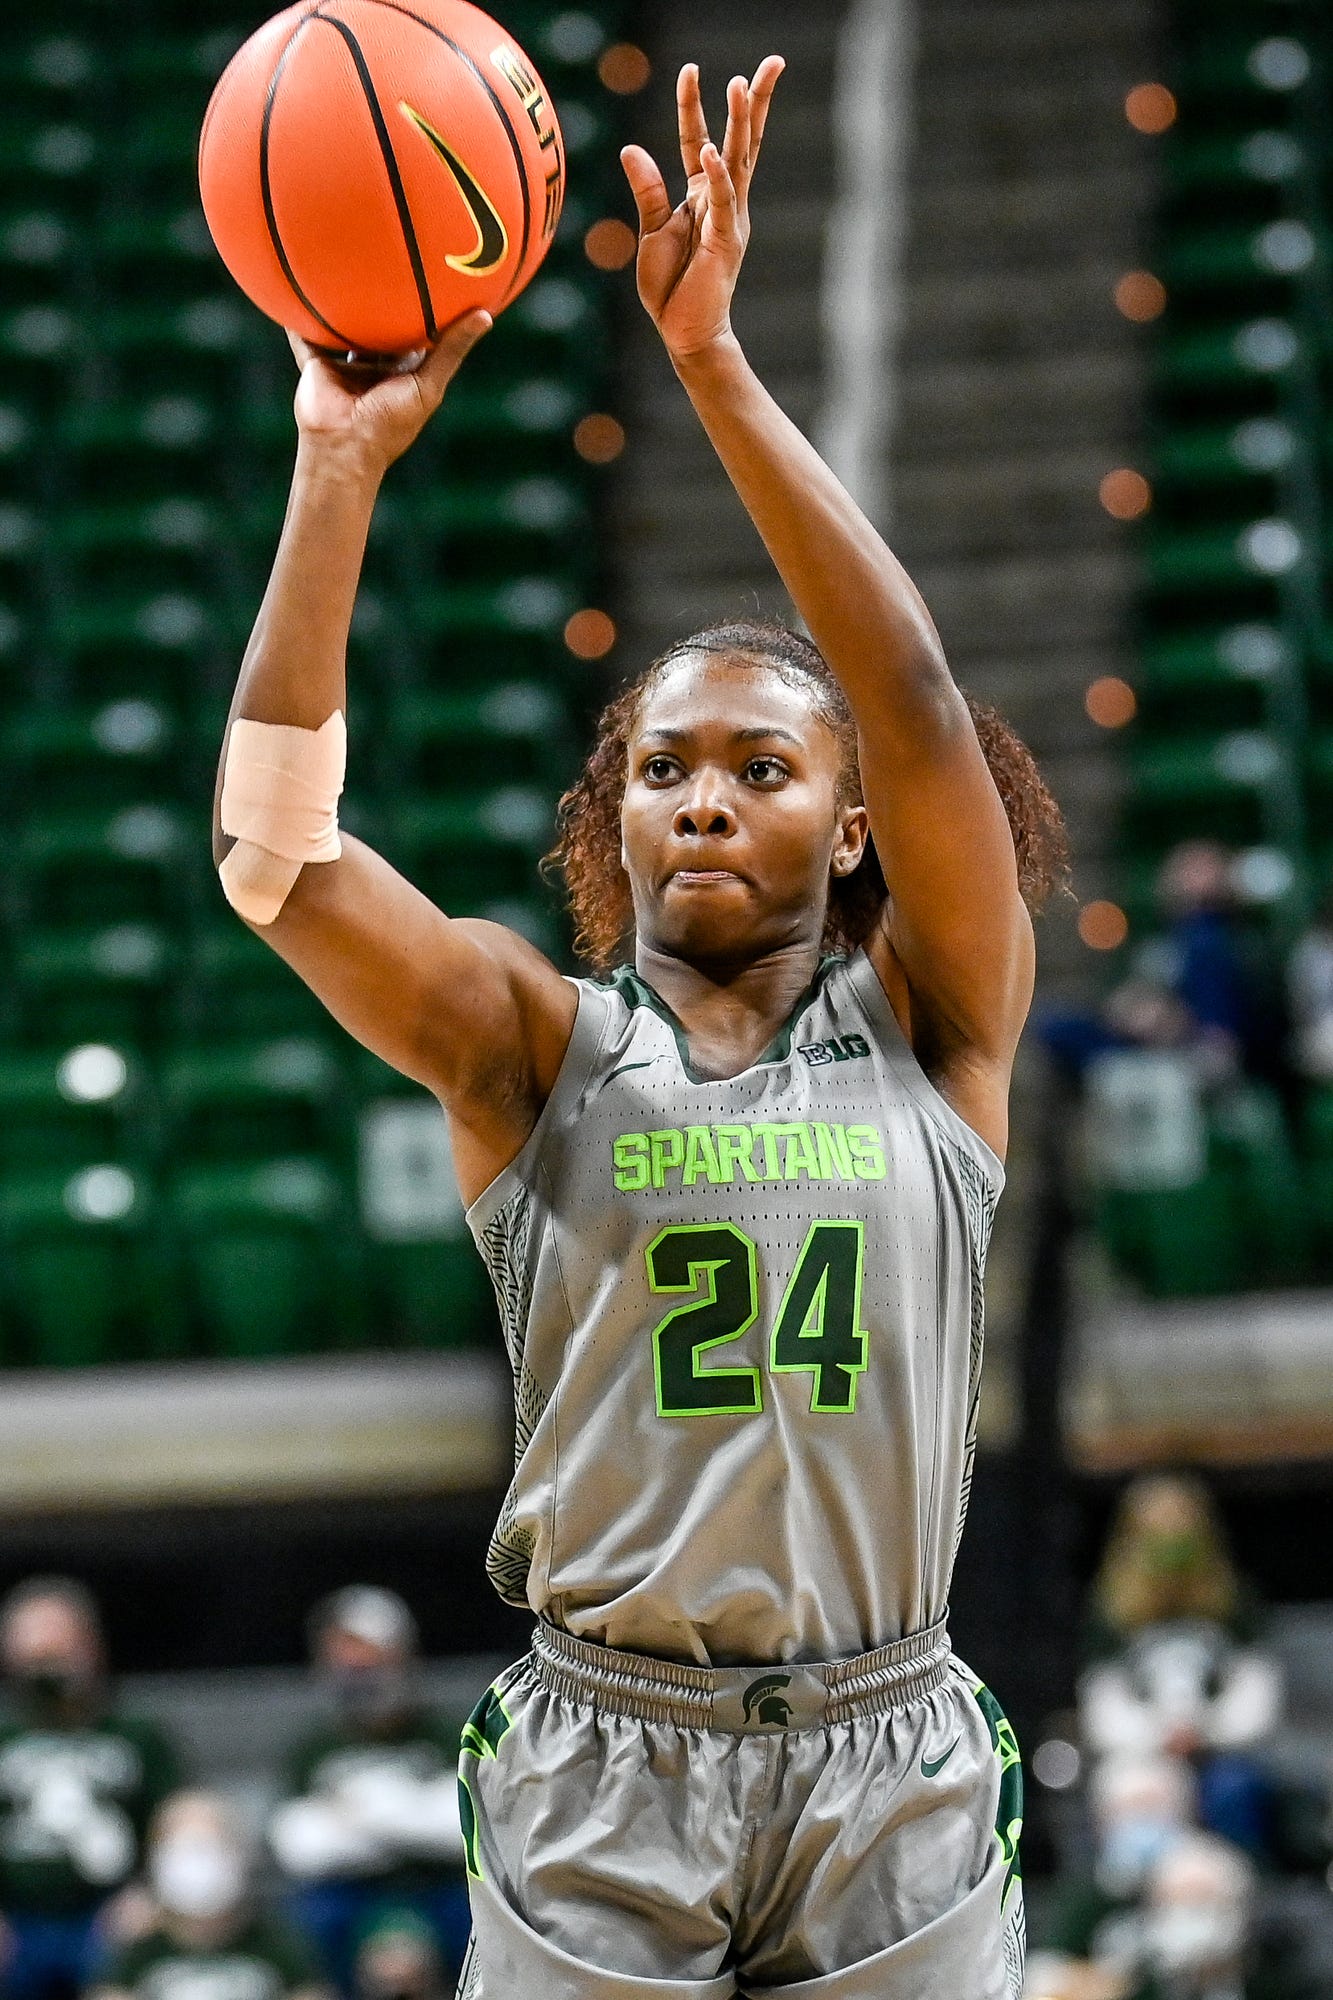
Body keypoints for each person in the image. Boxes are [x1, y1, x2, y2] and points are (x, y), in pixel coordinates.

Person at [212, 55, 1068, 2000]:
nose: (699, 793)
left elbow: (919, 696)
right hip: (610, 1760)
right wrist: (336, 460)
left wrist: (713, 368)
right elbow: (275, 858)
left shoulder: (936, 1027)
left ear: (845, 821)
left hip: (890, 1753)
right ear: (611, 813)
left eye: (758, 763)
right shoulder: (535, 1040)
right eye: (661, 763)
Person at [267, 1590, 467, 1995]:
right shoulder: (314, 1750)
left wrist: (363, 1814)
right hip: (350, 1896)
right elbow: (300, 1846)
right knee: (307, 1922)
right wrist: (416, 1813)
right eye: (346, 1664)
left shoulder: (448, 1736)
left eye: (372, 1662)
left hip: (439, 1889)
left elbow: (465, 1830)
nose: (360, 1677)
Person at [1080, 1477, 1281, 1859]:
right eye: (1157, 1531)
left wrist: (1205, 1731)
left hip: (1221, 1755)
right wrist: (1159, 1736)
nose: (1171, 1543)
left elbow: (1258, 1698)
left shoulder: (1234, 1607)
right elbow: (1102, 1711)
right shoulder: (1109, 1615)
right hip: (1141, 1755)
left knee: (1234, 1791)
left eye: (1181, 1528)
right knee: (1136, 1798)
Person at [0, 1579, 181, 2000]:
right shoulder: (5, 1736)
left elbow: (178, 1820)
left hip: (108, 1914)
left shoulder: (136, 1734)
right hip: (16, 1918)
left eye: (58, 1651)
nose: (47, 1669)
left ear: (90, 1647)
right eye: (35, 1655)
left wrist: (150, 1894)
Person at [88, 1791, 326, 2000]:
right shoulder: (136, 1946)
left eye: (210, 1845)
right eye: (183, 1847)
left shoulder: (278, 1940)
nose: (198, 1862)